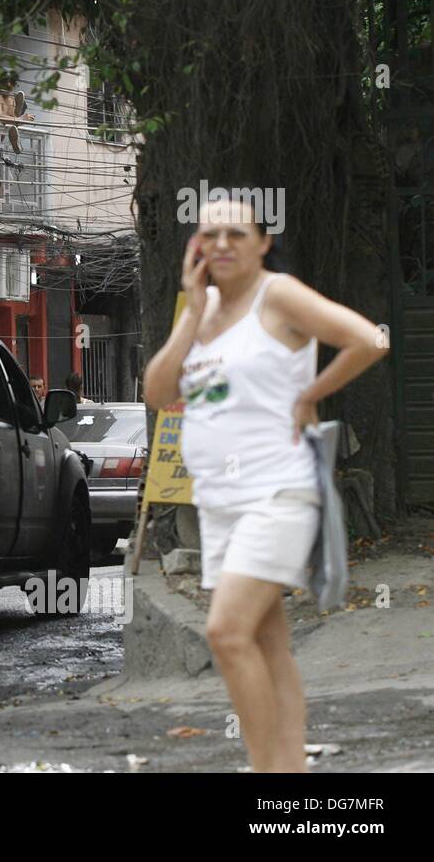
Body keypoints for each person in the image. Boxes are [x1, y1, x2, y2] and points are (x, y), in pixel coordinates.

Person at [143, 193, 385, 773]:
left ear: (262, 241)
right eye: (211, 234)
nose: (222, 244)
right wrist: (192, 310)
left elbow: (369, 339)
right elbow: (157, 393)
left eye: (236, 233)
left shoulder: (277, 296)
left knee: (226, 633)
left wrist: (307, 394)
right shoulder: (204, 313)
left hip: (276, 492)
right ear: (195, 247)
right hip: (220, 501)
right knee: (268, 644)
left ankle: (268, 775)